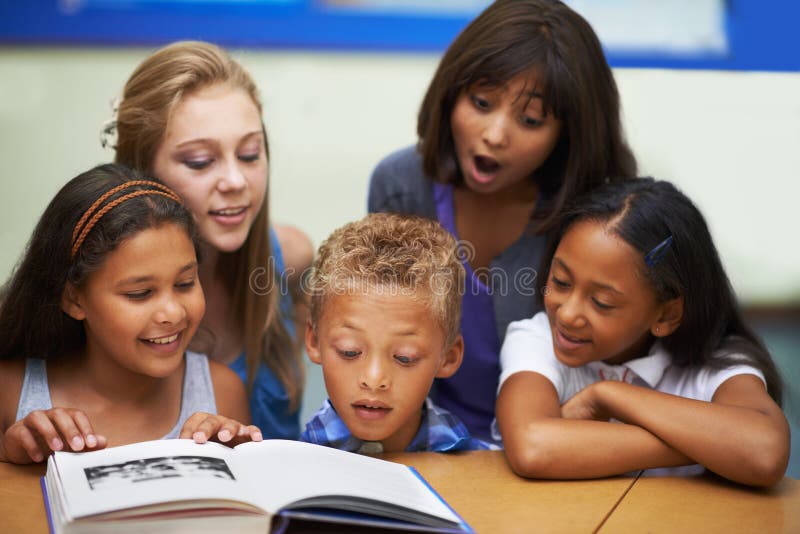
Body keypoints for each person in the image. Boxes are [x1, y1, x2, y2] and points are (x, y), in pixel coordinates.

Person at [368, 0, 637, 442]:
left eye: (530, 120)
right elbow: (380, 339)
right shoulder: (400, 187)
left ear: (570, 133)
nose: (495, 134)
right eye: (481, 102)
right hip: (426, 444)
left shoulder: (603, 218)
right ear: (451, 92)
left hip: (560, 446)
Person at [495, 178, 790, 487]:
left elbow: (764, 451)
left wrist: (608, 395)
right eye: (560, 282)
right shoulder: (537, 339)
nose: (567, 314)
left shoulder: (718, 362)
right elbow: (533, 447)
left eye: (601, 302)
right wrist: (710, 446)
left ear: (666, 314)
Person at [113, 41, 313, 439]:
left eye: (250, 154)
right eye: (201, 161)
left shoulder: (290, 260)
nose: (236, 181)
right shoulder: (97, 287)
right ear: (140, 170)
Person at [0, 164, 261, 464]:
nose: (172, 313)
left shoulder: (222, 392)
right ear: (74, 297)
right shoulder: (10, 391)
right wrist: (9, 462)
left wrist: (240, 463)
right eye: (140, 293)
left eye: (185, 283)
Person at [300, 213, 492, 453]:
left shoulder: (481, 470)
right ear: (314, 341)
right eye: (349, 352)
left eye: (405, 358)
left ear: (449, 357)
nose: (374, 379)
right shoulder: (289, 464)